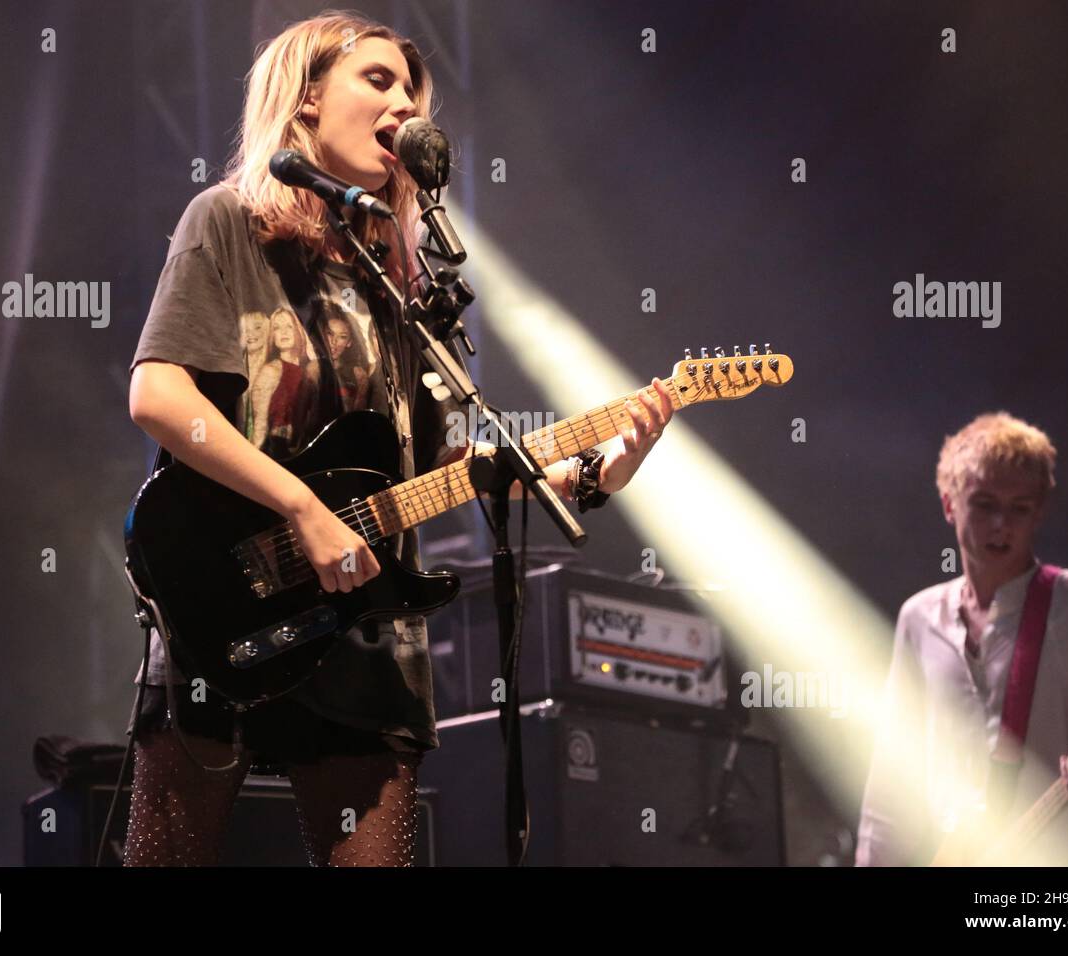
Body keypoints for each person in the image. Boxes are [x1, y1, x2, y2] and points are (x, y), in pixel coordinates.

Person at [123, 10, 674, 867]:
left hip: (366, 644)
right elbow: (159, 395)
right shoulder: (227, 220)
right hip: (219, 604)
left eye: (412, 90)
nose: (404, 105)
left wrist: (594, 472)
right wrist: (302, 507)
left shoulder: (404, 285)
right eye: (377, 81)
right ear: (306, 100)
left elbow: (445, 469)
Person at [855, 412, 1068, 866]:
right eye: (985, 504)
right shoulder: (919, 617)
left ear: (1041, 512)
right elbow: (891, 792)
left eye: (1019, 508)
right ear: (949, 504)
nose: (1001, 525)